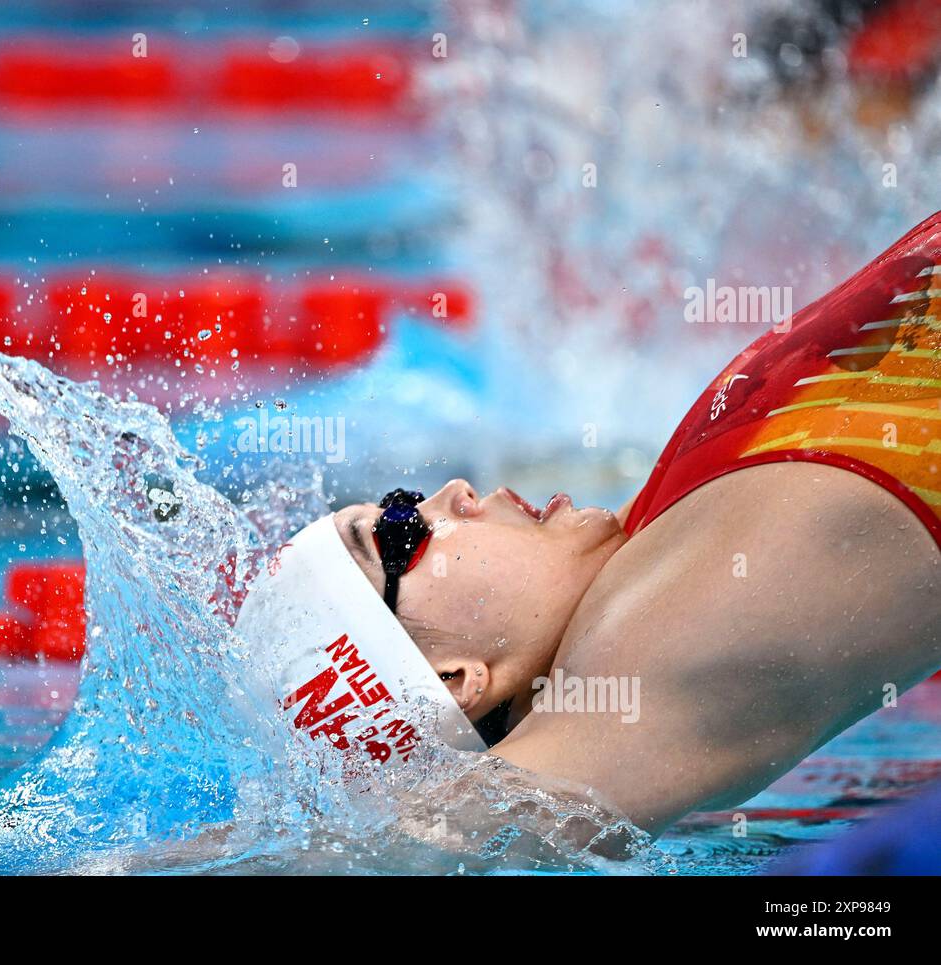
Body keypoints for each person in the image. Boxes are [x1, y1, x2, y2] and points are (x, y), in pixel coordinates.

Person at [236, 211, 941, 839]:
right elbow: (421, 840)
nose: (452, 493)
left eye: (402, 497)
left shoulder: (656, 547)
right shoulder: (647, 655)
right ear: (454, 679)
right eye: (396, 533)